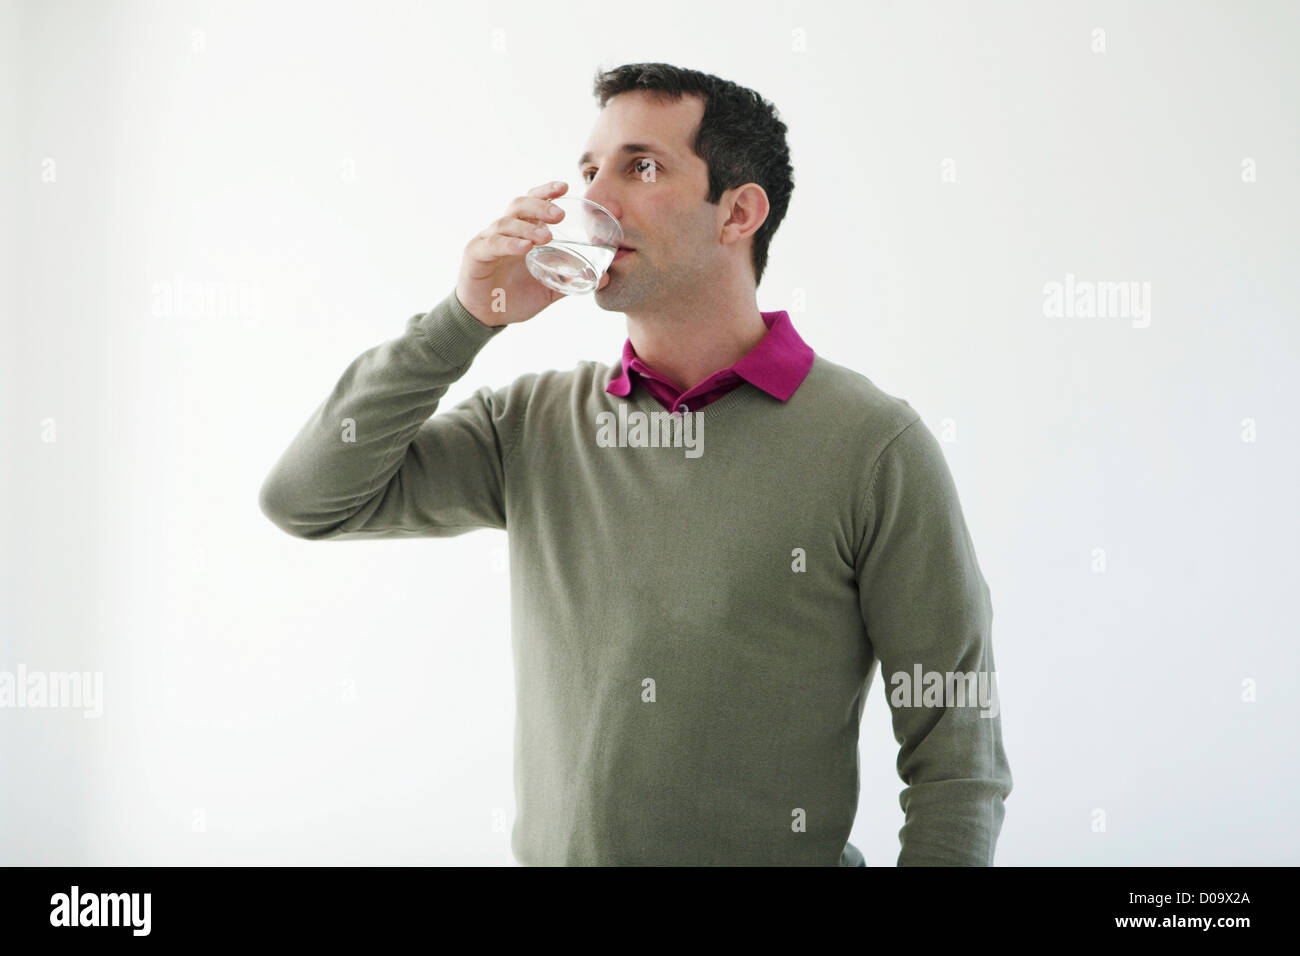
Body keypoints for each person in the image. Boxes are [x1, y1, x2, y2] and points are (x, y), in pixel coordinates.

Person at [258, 62, 1012, 866]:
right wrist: (468, 317)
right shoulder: (532, 424)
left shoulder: (873, 446)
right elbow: (308, 498)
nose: (597, 201)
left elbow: (956, 752)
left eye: (640, 167)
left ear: (738, 213)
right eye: (590, 171)